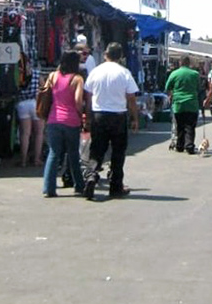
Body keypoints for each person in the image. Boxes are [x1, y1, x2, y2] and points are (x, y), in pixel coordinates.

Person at [83, 41, 139, 199]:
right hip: (118, 116)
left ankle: (91, 175)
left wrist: (87, 116)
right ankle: (115, 185)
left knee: (97, 150)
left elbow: (88, 96)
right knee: (118, 152)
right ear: (120, 57)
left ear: (105, 54)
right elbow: (131, 98)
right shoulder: (124, 73)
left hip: (99, 115)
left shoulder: (96, 72)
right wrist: (135, 118)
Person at [41, 50, 85, 198]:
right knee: (73, 154)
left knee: (53, 153)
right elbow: (78, 101)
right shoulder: (77, 79)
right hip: (71, 121)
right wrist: (81, 115)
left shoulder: (52, 76)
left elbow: (46, 93)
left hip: (53, 120)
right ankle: (79, 185)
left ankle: (48, 188)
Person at [165, 56, 200, 154]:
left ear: (180, 62)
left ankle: (180, 145)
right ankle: (189, 145)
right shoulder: (195, 74)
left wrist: (171, 95)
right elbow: (199, 87)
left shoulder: (174, 74)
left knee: (180, 125)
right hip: (192, 103)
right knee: (190, 126)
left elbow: (167, 87)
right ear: (189, 63)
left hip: (178, 103)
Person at [16, 69, 45, 167]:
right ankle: (36, 159)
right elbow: (44, 88)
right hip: (35, 103)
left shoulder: (18, 73)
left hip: (22, 103)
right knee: (39, 133)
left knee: (25, 134)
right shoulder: (36, 73)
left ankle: (23, 160)